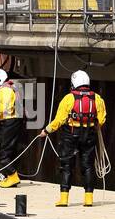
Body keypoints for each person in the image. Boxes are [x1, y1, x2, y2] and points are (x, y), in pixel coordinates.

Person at [40, 69, 106, 207]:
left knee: (66, 166)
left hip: (70, 135)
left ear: (74, 83)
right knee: (87, 166)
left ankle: (64, 199)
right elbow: (101, 119)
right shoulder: (97, 98)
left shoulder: (68, 98)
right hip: (89, 135)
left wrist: (47, 130)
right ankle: (89, 199)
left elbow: (59, 120)